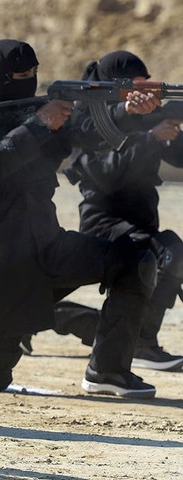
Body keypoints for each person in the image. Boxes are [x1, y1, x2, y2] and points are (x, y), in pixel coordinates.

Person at [0, 39, 160, 399]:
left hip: (47, 244)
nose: (29, 80)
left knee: (135, 260)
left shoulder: (35, 112)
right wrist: (40, 124)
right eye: (20, 75)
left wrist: (128, 112)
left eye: (34, 73)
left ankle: (108, 370)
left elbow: (87, 133)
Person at [24, 51, 183, 372]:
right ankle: (139, 342)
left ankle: (138, 340)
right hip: (104, 220)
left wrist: (170, 131)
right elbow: (102, 174)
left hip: (141, 219)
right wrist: (151, 139)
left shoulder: (149, 114)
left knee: (172, 252)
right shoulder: (90, 117)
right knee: (160, 255)